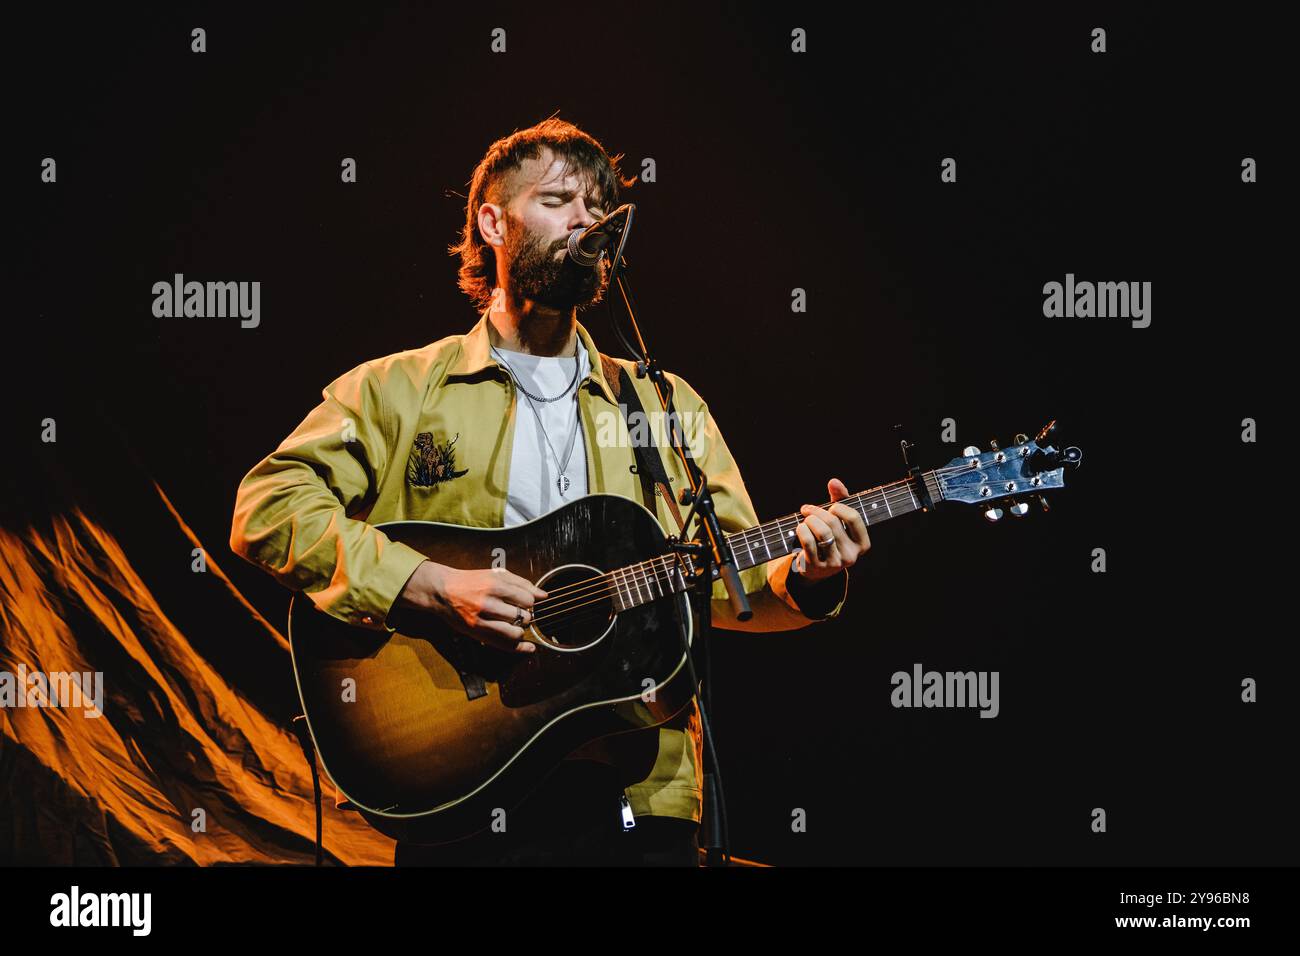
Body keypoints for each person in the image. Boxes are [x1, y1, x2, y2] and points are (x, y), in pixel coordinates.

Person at [229, 117, 870, 866]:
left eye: (597, 210)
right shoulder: (399, 390)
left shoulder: (663, 406)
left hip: (639, 797)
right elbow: (266, 506)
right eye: (560, 200)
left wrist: (811, 573)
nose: (587, 222)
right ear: (493, 222)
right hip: (459, 784)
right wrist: (429, 585)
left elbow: (734, 580)